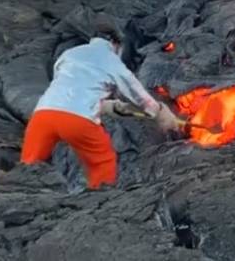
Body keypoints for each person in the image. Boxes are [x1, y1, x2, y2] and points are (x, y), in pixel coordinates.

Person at [20, 16, 182, 189]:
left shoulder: (70, 54)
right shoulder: (110, 59)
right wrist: (159, 112)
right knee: (103, 162)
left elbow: (68, 85)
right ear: (116, 44)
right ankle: (100, 201)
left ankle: (17, 199)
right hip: (77, 120)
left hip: (42, 115)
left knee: (28, 167)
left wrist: (106, 105)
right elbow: (135, 91)